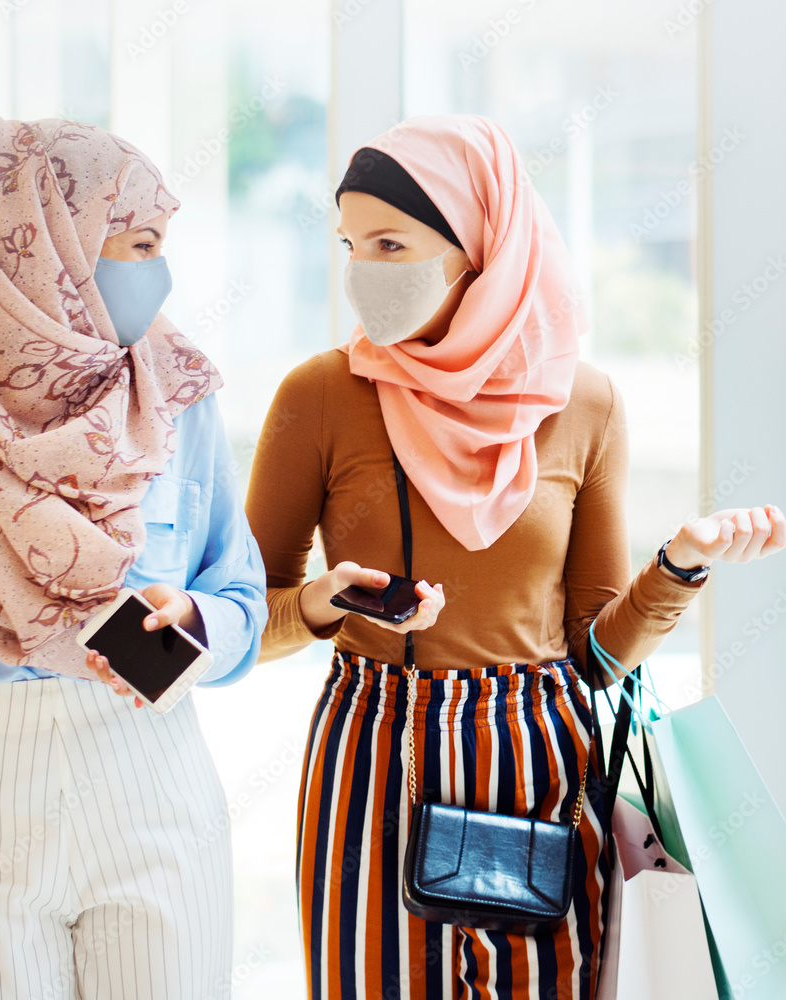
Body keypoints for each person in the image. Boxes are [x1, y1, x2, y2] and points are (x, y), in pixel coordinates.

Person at [244, 114, 785, 1000]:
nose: (363, 272)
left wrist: (680, 563)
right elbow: (244, 619)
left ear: (480, 246)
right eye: (350, 244)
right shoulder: (321, 394)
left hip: (543, 771)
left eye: (391, 243)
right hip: (375, 755)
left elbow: (594, 656)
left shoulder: (585, 403)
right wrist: (323, 605)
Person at [0, 110, 267, 1000]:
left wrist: (195, 624)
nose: (159, 273)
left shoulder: (179, 394)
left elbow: (242, 593)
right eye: (137, 244)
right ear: (47, 249)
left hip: (156, 779)